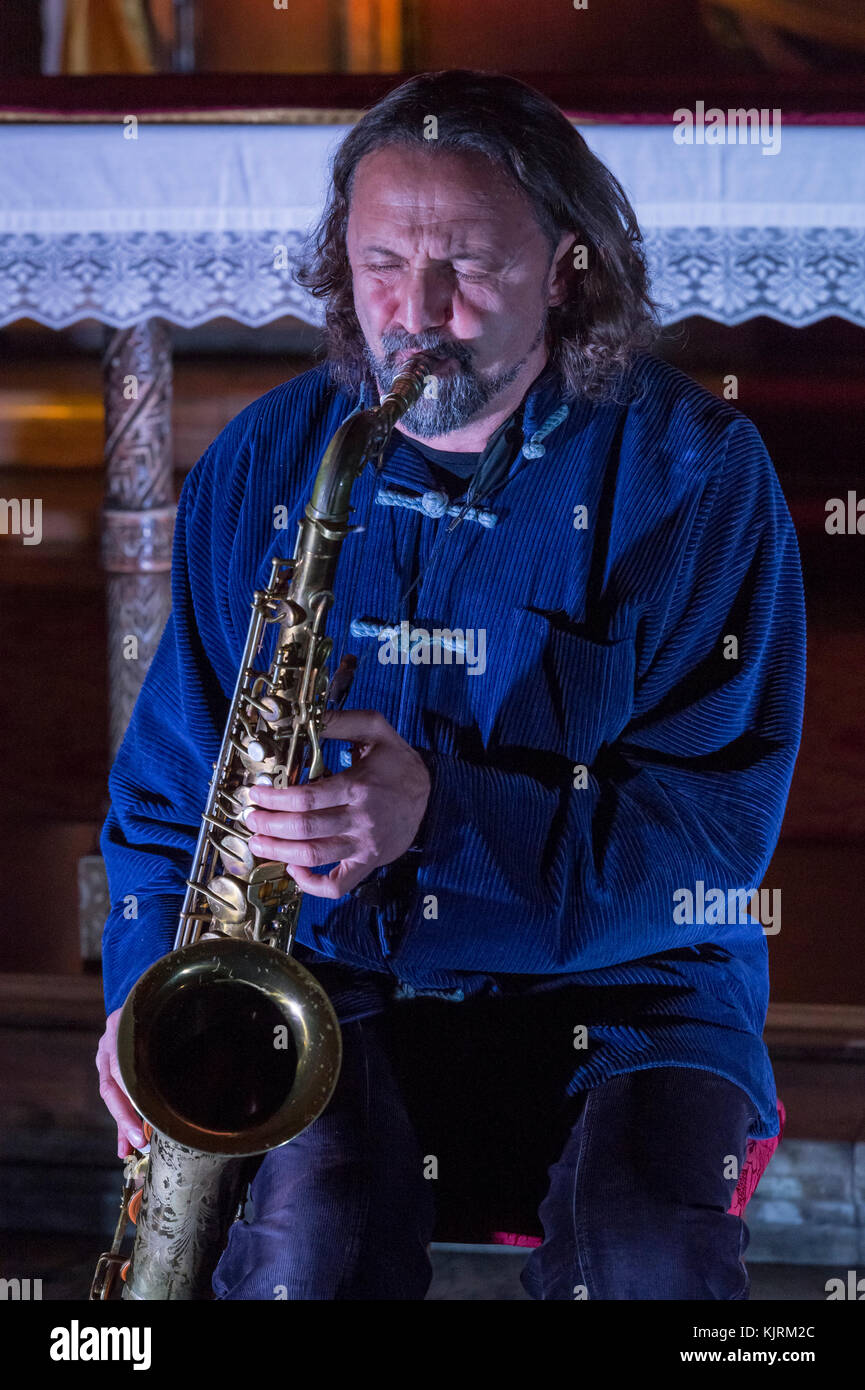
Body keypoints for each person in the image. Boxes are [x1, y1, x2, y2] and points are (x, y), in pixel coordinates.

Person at [95, 69, 806, 1300]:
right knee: (299, 1257)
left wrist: (443, 813)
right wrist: (148, 990)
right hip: (334, 975)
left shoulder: (699, 475)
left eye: (467, 265)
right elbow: (169, 808)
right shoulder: (271, 454)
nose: (415, 315)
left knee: (651, 1264)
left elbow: (712, 847)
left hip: (631, 987)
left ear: (567, 266)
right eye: (380, 265)